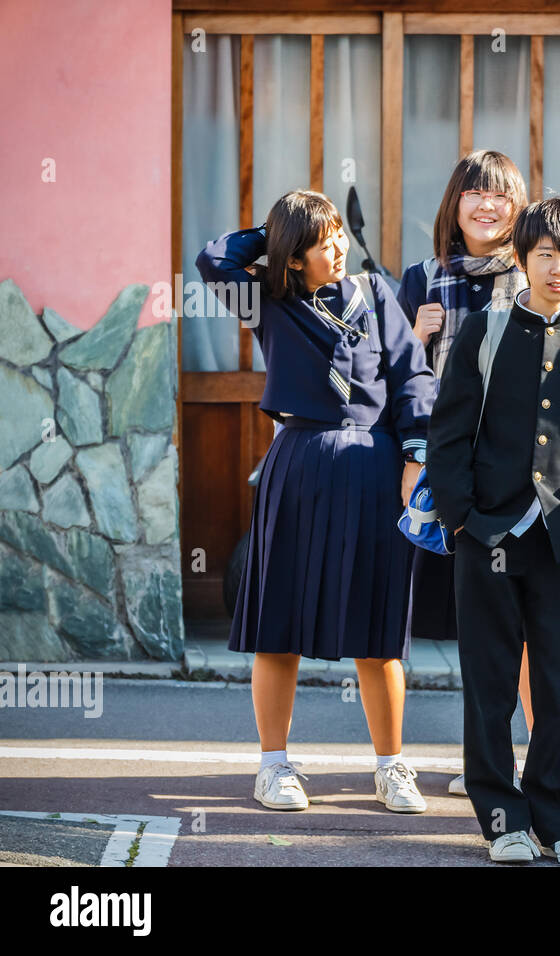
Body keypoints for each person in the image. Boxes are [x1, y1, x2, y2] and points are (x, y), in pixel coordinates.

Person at [196, 189, 434, 815]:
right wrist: (276, 232)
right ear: (292, 256)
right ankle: (273, 766)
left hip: (376, 462)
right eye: (321, 241)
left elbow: (411, 375)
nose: (338, 247)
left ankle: (391, 766)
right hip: (298, 459)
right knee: (280, 622)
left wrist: (415, 456)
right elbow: (212, 259)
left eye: (338, 235)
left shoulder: (376, 294)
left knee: (379, 628)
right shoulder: (268, 302)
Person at [426, 198, 560, 865]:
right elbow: (449, 435)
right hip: (487, 534)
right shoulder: (483, 333)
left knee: (557, 685)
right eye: (545, 254)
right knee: (489, 686)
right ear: (520, 260)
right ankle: (501, 820)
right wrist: (463, 521)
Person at [396, 149, 533, 796]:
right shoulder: (423, 279)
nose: (487, 205)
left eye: (501, 194)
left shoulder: (538, 275)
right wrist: (417, 339)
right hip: (454, 474)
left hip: (522, 474)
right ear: (454, 203)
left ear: (520, 206)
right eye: (474, 193)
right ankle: (490, 759)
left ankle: (540, 757)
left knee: (527, 626)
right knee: (478, 626)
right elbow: (394, 383)